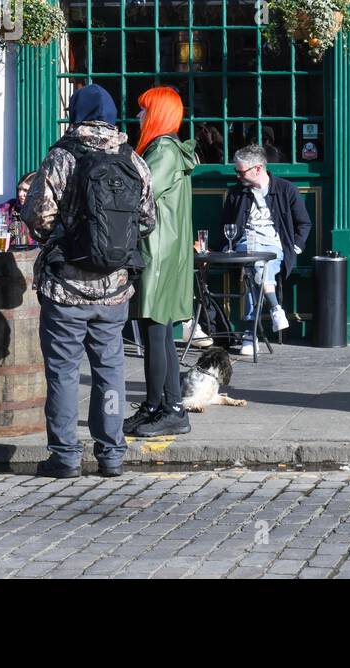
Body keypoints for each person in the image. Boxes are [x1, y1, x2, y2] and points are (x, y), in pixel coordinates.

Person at [21, 85, 156, 478]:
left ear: (76, 114)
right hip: (114, 289)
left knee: (62, 373)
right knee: (110, 371)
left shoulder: (62, 156)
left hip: (65, 288)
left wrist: (64, 237)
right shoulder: (132, 159)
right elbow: (148, 220)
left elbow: (37, 216)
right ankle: (111, 454)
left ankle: (64, 457)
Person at [125, 87, 197, 438]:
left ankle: (165, 408)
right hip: (163, 251)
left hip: (158, 253)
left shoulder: (163, 151)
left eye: (144, 110)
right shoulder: (165, 149)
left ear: (158, 114)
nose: (138, 116)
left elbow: (138, 195)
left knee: (156, 333)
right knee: (159, 333)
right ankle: (163, 406)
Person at [218, 144, 311, 356]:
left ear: (258, 169)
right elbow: (225, 225)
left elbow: (304, 224)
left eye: (241, 171)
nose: (237, 175)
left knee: (256, 269)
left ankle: (251, 334)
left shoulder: (286, 189)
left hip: (274, 247)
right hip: (245, 247)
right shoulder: (236, 193)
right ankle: (275, 308)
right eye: (236, 171)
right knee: (256, 265)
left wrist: (295, 248)